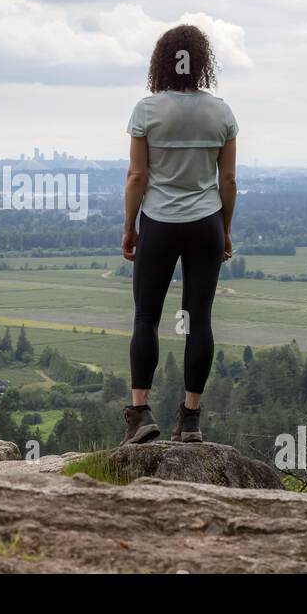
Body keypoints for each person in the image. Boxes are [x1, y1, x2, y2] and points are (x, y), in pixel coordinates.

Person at [120, 25, 238, 445]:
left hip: (159, 222)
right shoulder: (221, 112)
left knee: (146, 317)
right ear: (202, 61)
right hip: (205, 222)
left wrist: (129, 226)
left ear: (161, 61)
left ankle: (140, 413)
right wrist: (224, 230)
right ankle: (190, 420)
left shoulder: (147, 110)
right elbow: (228, 181)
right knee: (199, 319)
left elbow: (137, 176)